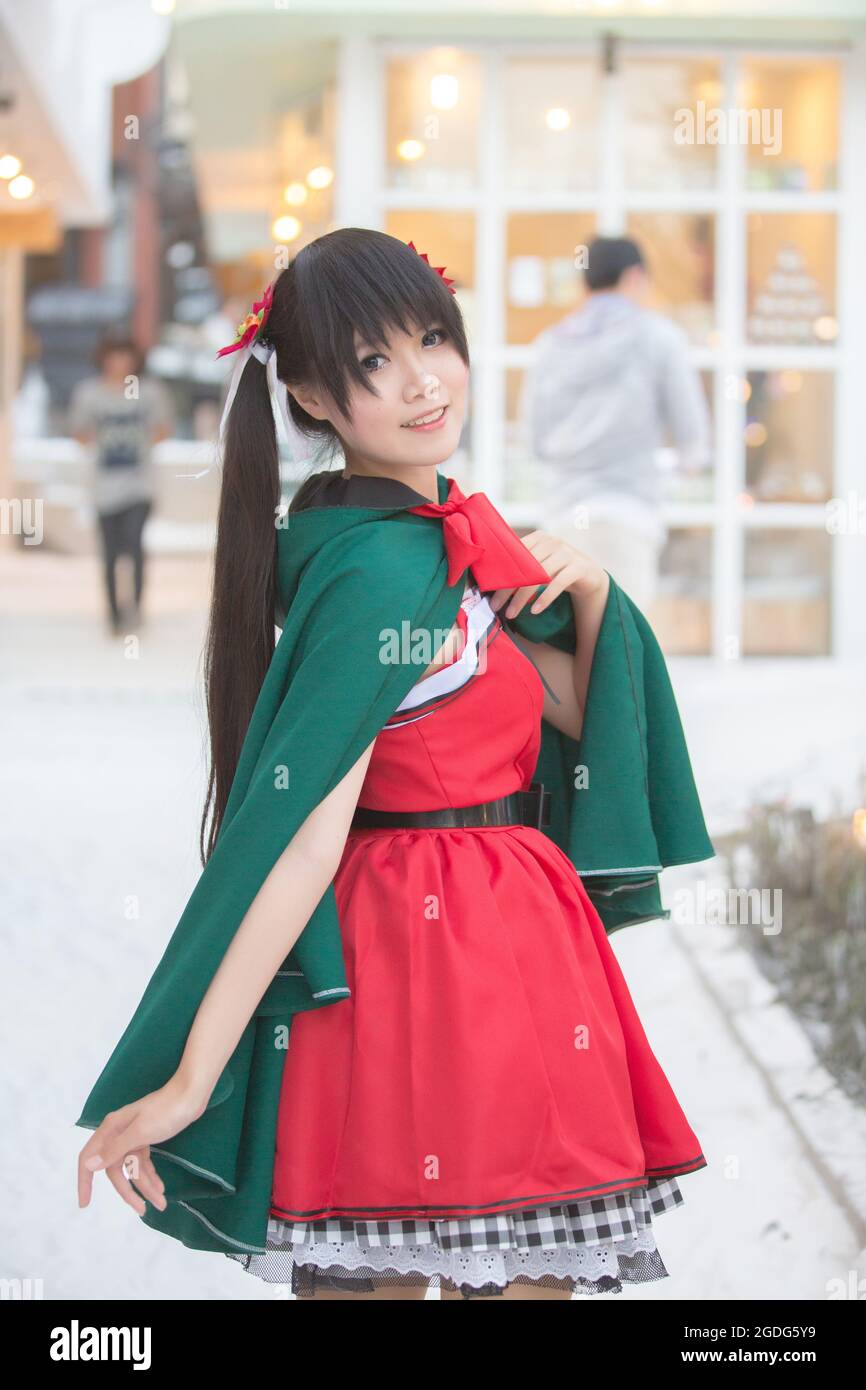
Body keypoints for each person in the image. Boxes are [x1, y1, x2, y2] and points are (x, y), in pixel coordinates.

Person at [76, 229, 714, 1300]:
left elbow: (565, 708)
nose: (423, 380)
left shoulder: (439, 538)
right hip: (414, 965)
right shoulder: (376, 571)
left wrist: (595, 591)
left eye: (433, 338)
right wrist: (191, 1076)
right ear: (313, 398)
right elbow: (299, 841)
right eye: (374, 361)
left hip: (517, 953)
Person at [521, 236, 711, 611]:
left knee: (566, 641)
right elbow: (693, 435)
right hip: (629, 515)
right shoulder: (659, 337)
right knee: (624, 639)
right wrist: (682, 467)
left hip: (563, 518)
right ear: (634, 276)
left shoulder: (550, 344)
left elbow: (534, 441)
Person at [68, 335, 174, 635]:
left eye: (125, 356)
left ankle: (136, 609)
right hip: (104, 486)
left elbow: (163, 430)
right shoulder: (89, 393)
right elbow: (78, 434)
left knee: (135, 545)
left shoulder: (149, 392)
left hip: (140, 484)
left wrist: (139, 437)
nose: (119, 363)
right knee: (110, 552)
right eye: (114, 356)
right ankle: (114, 614)